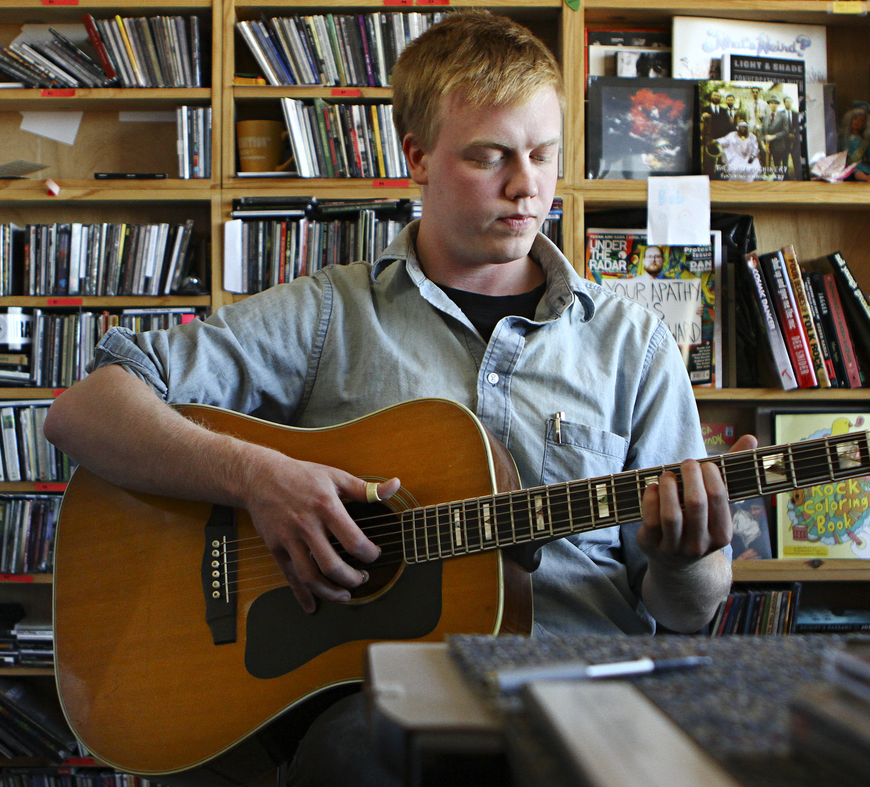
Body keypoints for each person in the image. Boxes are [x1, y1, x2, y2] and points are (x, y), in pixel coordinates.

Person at [45, 11, 750, 786]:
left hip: (579, 691)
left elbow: (685, 611)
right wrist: (257, 477)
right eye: (491, 157)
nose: (528, 186)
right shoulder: (327, 315)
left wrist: (687, 558)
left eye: (544, 154)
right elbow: (84, 410)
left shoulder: (633, 345)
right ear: (416, 155)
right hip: (375, 695)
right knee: (361, 748)